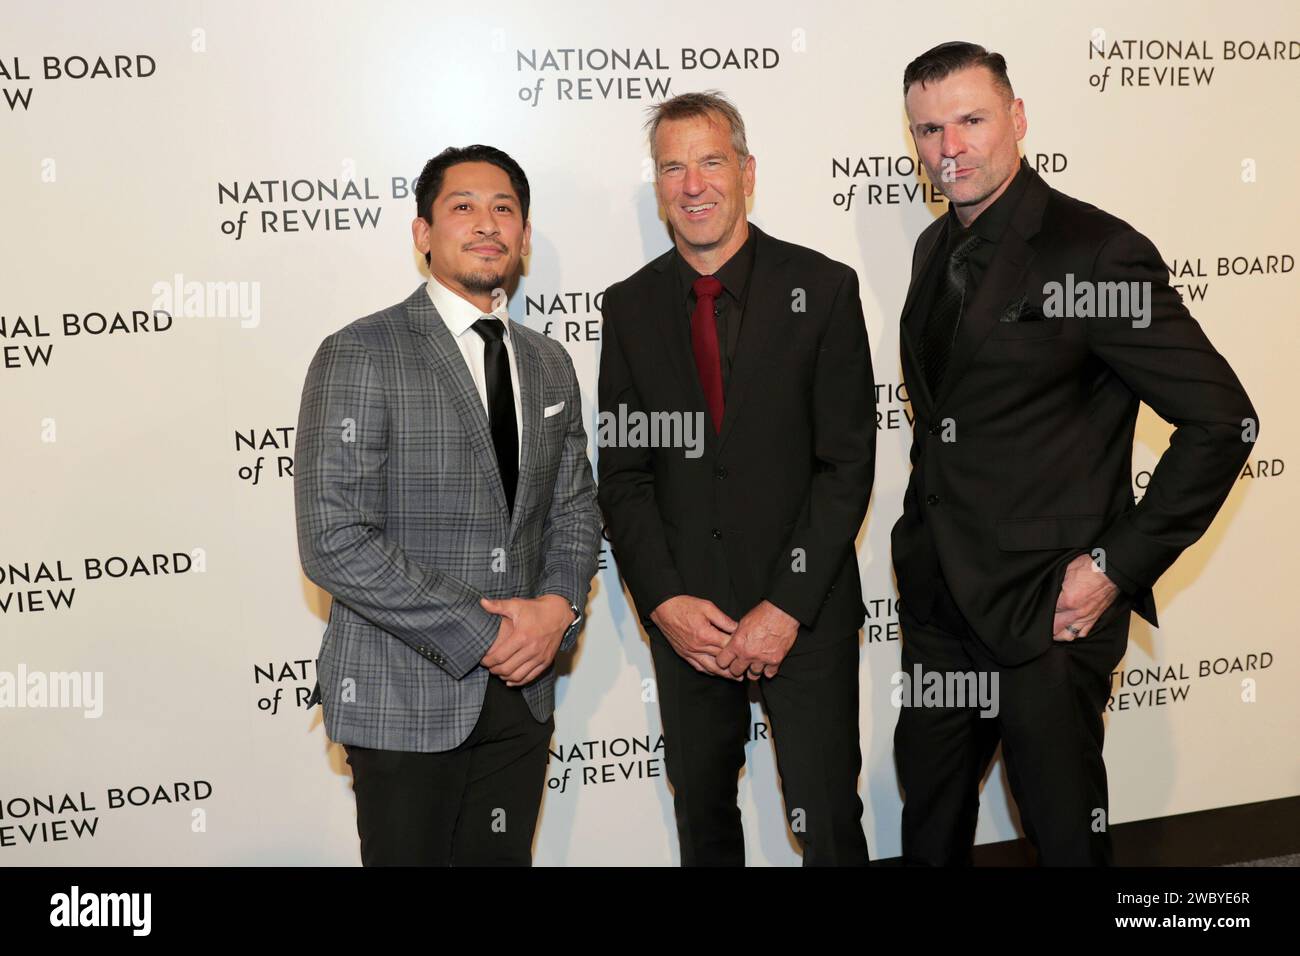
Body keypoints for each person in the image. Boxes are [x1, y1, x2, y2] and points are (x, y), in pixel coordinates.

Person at [891, 42, 1258, 865]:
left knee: (1064, 842)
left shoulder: (1095, 251)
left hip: (1047, 611)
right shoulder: (931, 251)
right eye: (927, 130)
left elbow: (1223, 422)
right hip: (941, 607)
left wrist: (1113, 567)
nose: (949, 147)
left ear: (1017, 120)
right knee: (928, 832)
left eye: (971, 120)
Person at [294, 145, 602, 866]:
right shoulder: (361, 352)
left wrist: (559, 605)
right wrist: (482, 632)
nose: (485, 223)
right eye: (462, 207)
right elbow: (333, 537)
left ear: (524, 236)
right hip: (405, 700)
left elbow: (576, 506)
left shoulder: (548, 361)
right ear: (423, 233)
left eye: (504, 209)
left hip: (522, 698)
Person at [598, 91, 877, 866]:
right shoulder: (628, 308)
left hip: (805, 612)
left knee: (825, 817)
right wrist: (667, 604)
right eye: (673, 167)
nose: (694, 185)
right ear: (658, 186)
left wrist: (784, 608)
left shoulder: (822, 290)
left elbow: (846, 464)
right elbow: (623, 476)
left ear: (747, 172)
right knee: (704, 822)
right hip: (688, 620)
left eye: (711, 161)